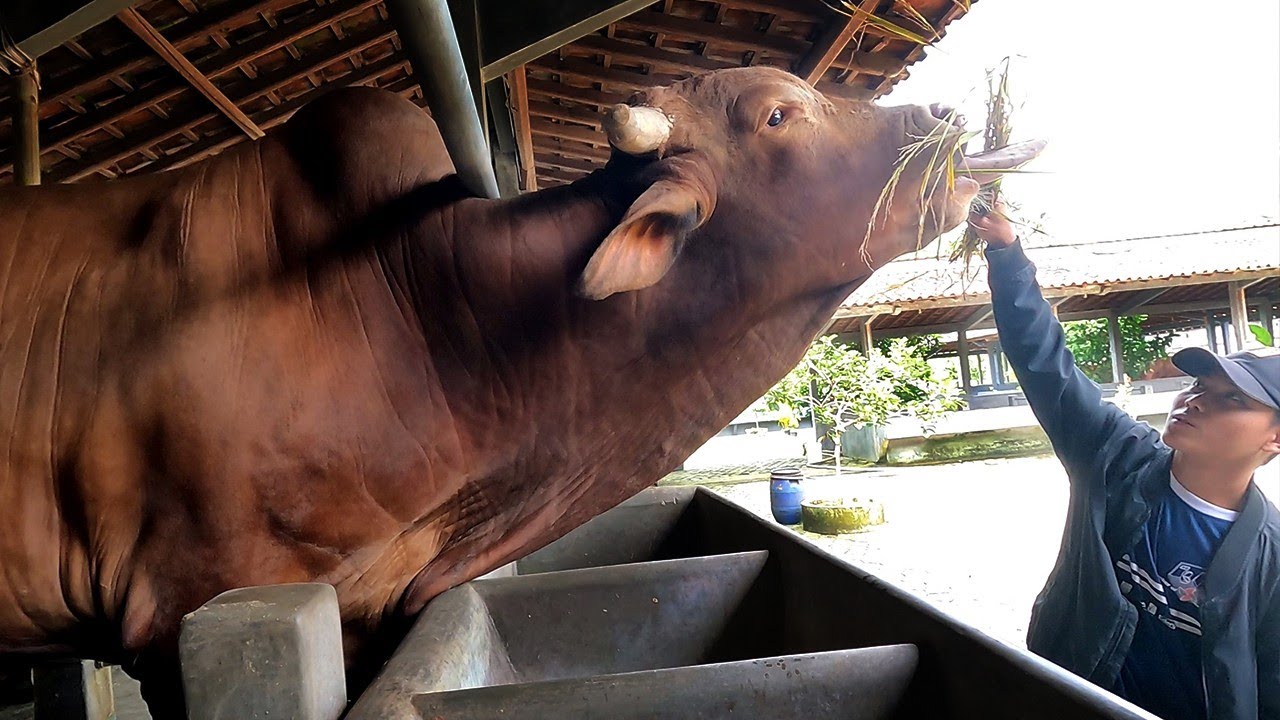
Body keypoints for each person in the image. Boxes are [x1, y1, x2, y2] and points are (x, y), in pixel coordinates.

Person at [969, 202, 1280, 720]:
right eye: (1198, 385)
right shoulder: (1115, 455)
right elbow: (1047, 364)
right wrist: (1007, 255)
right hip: (1064, 697)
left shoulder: (1271, 556)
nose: (1194, 400)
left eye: (1233, 400)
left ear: (1274, 439)